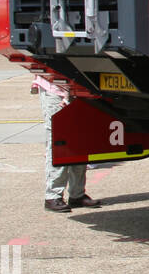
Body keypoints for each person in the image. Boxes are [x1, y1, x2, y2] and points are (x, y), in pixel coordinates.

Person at [34, 74, 101, 212]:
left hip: (78, 89)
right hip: (55, 88)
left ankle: (77, 194)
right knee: (58, 141)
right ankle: (52, 196)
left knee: (80, 141)